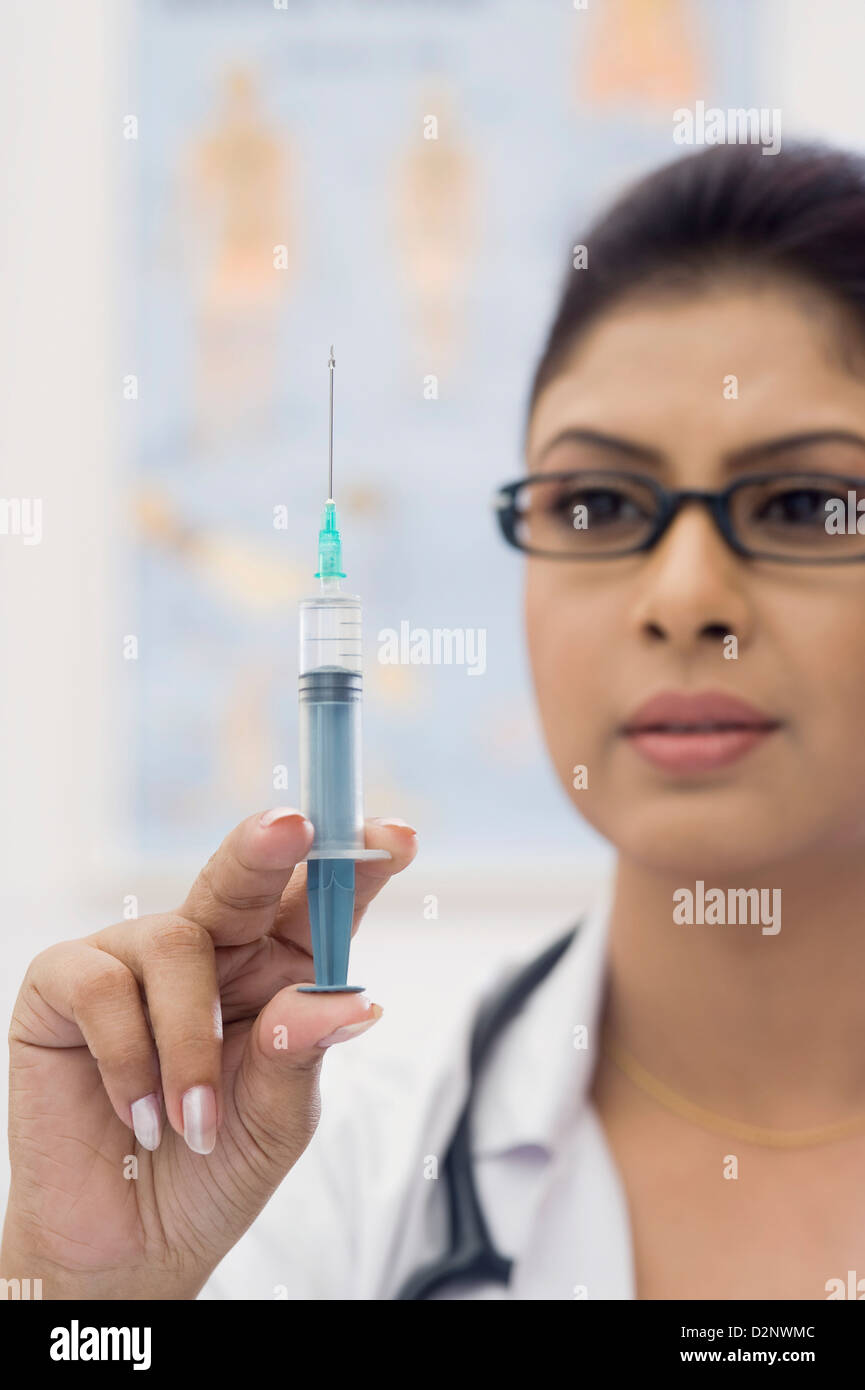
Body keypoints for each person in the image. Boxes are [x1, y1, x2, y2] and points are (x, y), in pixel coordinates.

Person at [6, 139, 865, 1301]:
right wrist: (78, 1297)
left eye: (809, 502)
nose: (682, 598)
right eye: (600, 502)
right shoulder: (305, 1172)